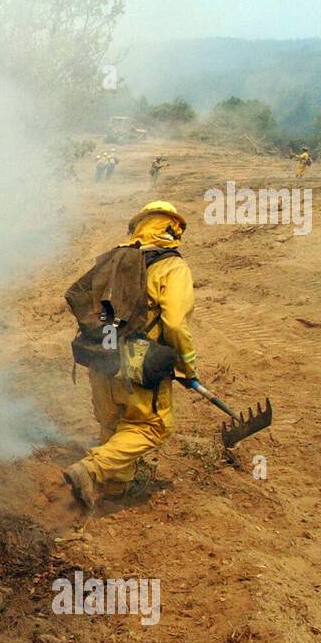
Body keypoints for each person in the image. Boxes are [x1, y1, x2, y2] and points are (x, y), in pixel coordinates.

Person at [64, 201, 198, 508]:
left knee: (113, 423)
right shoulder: (172, 266)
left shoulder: (112, 260)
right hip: (138, 363)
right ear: (172, 228)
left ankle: (113, 492)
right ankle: (90, 469)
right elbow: (176, 322)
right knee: (152, 427)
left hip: (101, 356)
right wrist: (186, 365)